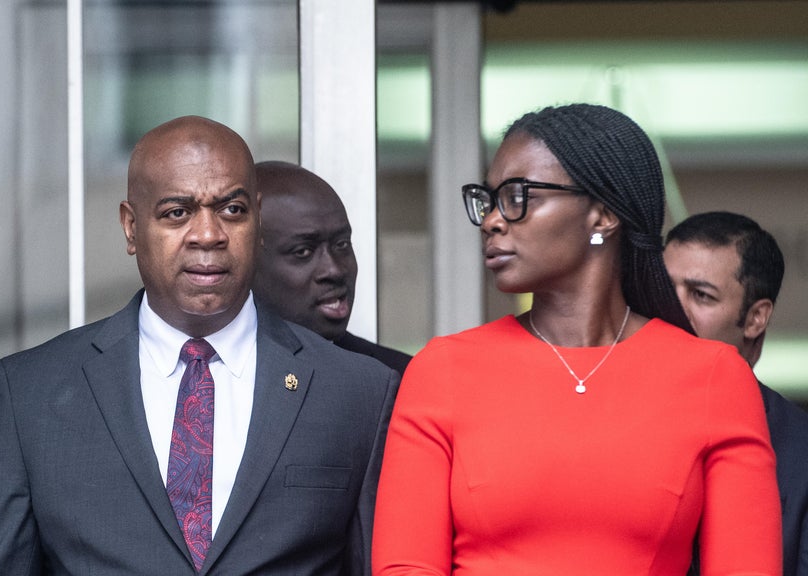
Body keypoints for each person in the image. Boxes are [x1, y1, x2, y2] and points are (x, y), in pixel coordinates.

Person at [0, 116, 399, 575]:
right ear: (131, 227)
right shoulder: (34, 394)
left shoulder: (356, 392)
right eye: (177, 213)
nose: (209, 235)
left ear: (258, 221)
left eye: (232, 210)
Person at [372, 103, 781, 575]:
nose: (492, 221)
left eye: (518, 195)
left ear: (602, 215)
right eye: (489, 201)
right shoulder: (441, 371)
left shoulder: (713, 377)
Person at [665, 211, 808, 576]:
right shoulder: (609, 419)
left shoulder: (801, 452)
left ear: (756, 318)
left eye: (701, 295)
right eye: (665, 290)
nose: (670, 311)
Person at [252, 160, 413, 375]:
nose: (334, 270)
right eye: (303, 252)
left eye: (341, 245)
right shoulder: (211, 377)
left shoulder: (395, 380)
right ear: (246, 263)